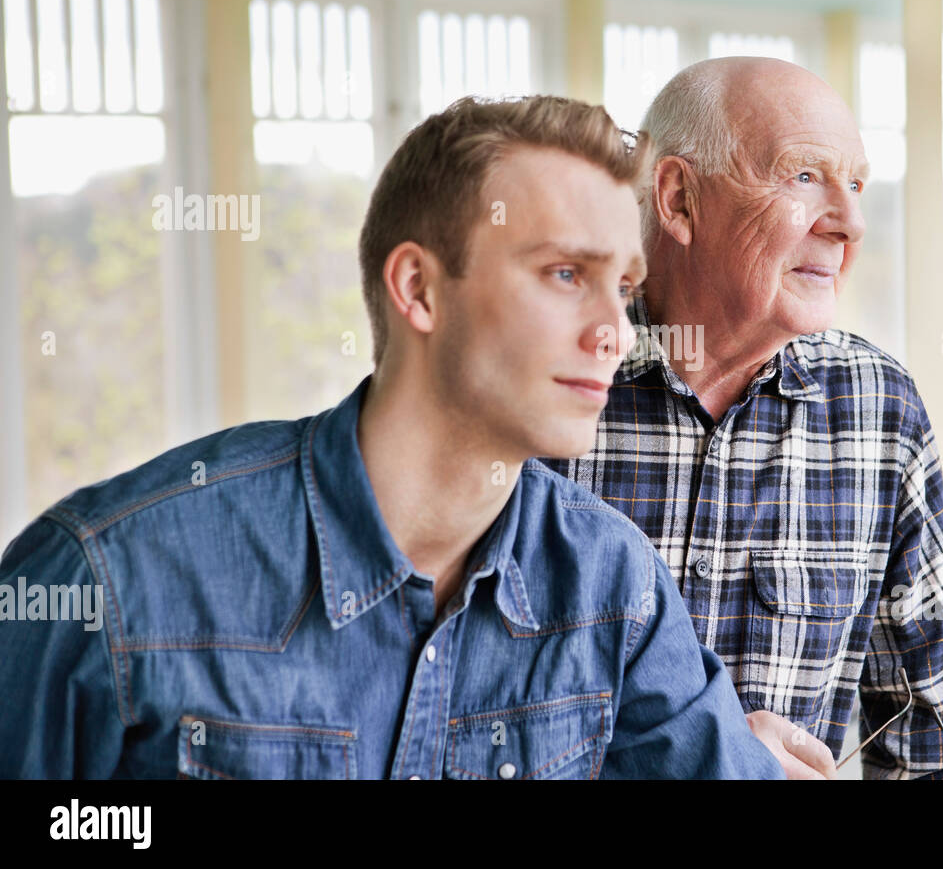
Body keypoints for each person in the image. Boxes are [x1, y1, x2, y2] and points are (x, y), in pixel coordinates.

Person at [0, 94, 784, 780]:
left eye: (623, 289)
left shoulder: (613, 585)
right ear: (418, 289)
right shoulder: (105, 578)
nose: (615, 332)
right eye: (565, 275)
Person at [541, 58, 943, 779]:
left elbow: (941, 746)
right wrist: (703, 756)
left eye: (855, 184)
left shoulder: (878, 411)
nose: (851, 223)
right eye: (802, 176)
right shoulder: (543, 381)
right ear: (679, 199)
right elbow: (450, 726)